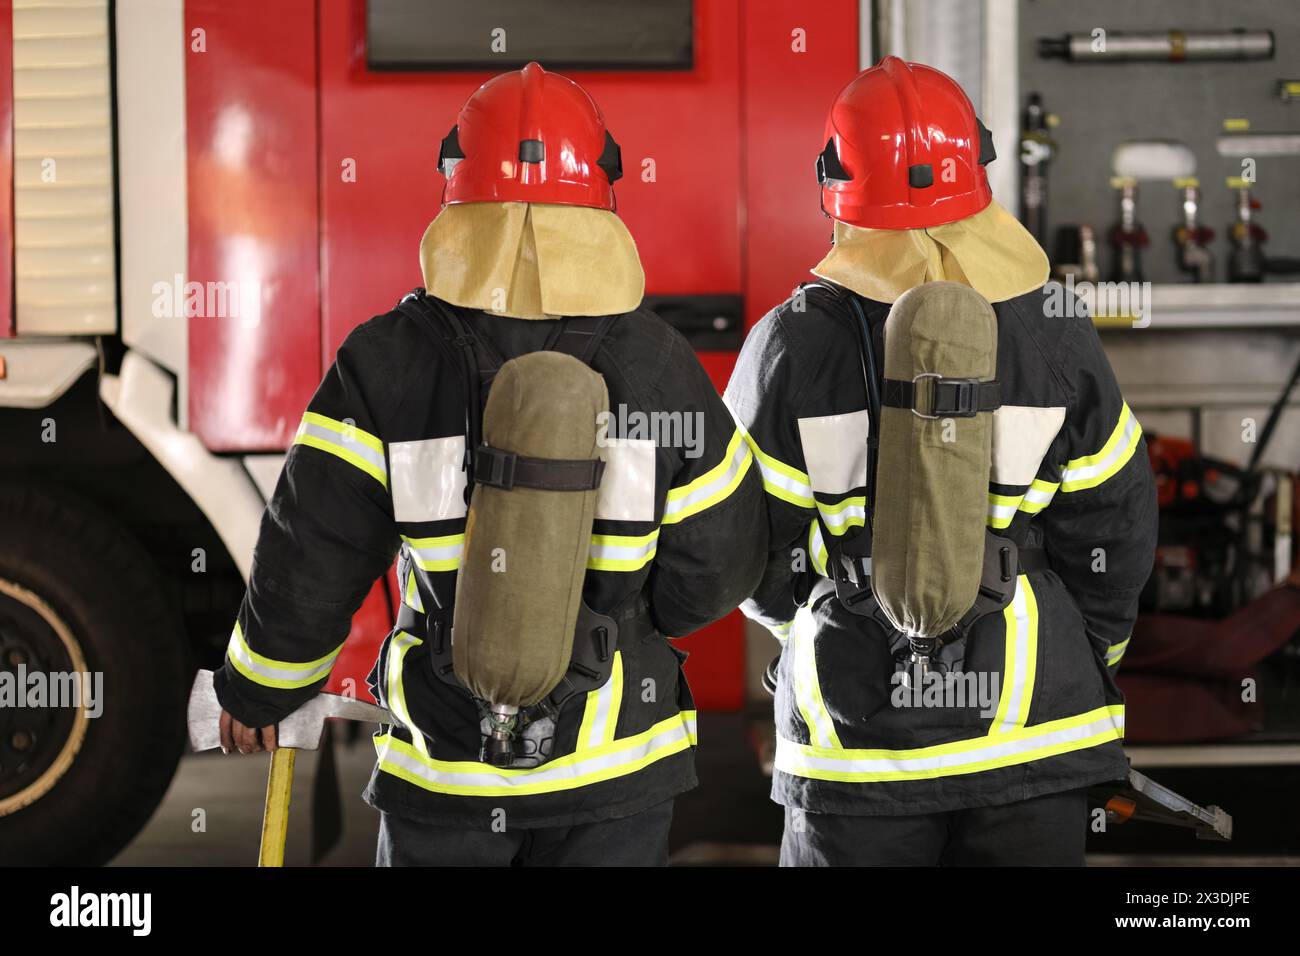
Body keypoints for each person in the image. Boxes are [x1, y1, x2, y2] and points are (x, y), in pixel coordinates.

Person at [214, 62, 765, 866]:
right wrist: (632, 627)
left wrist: (259, 688)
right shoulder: (655, 360)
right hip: (614, 773)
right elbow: (722, 562)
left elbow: (312, 553)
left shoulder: (385, 361)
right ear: (602, 190)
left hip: (447, 774)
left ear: (457, 192)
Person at [725, 56, 1157, 866]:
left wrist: (822, 618)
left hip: (857, 752)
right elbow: (1117, 524)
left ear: (835, 185)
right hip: (1032, 737)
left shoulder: (788, 344)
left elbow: (745, 551)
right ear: (978, 172)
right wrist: (1077, 650)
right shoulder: (1054, 327)